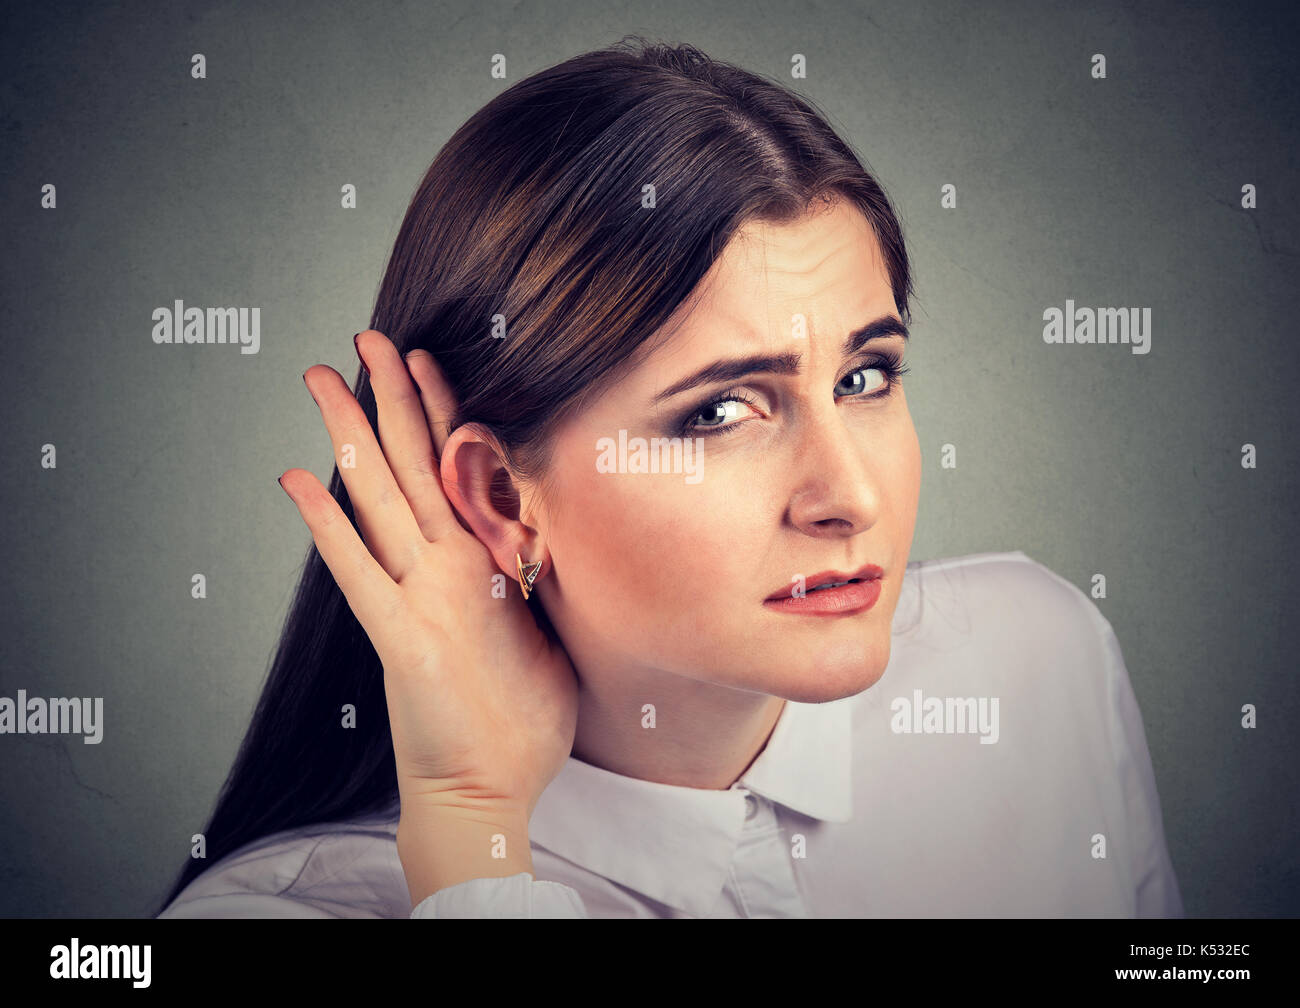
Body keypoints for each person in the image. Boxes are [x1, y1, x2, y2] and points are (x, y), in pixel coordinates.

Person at [156, 37, 1183, 919]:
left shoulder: (1041, 662)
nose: (851, 500)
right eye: (720, 412)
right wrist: (471, 830)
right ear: (506, 500)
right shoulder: (289, 907)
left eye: (864, 376)